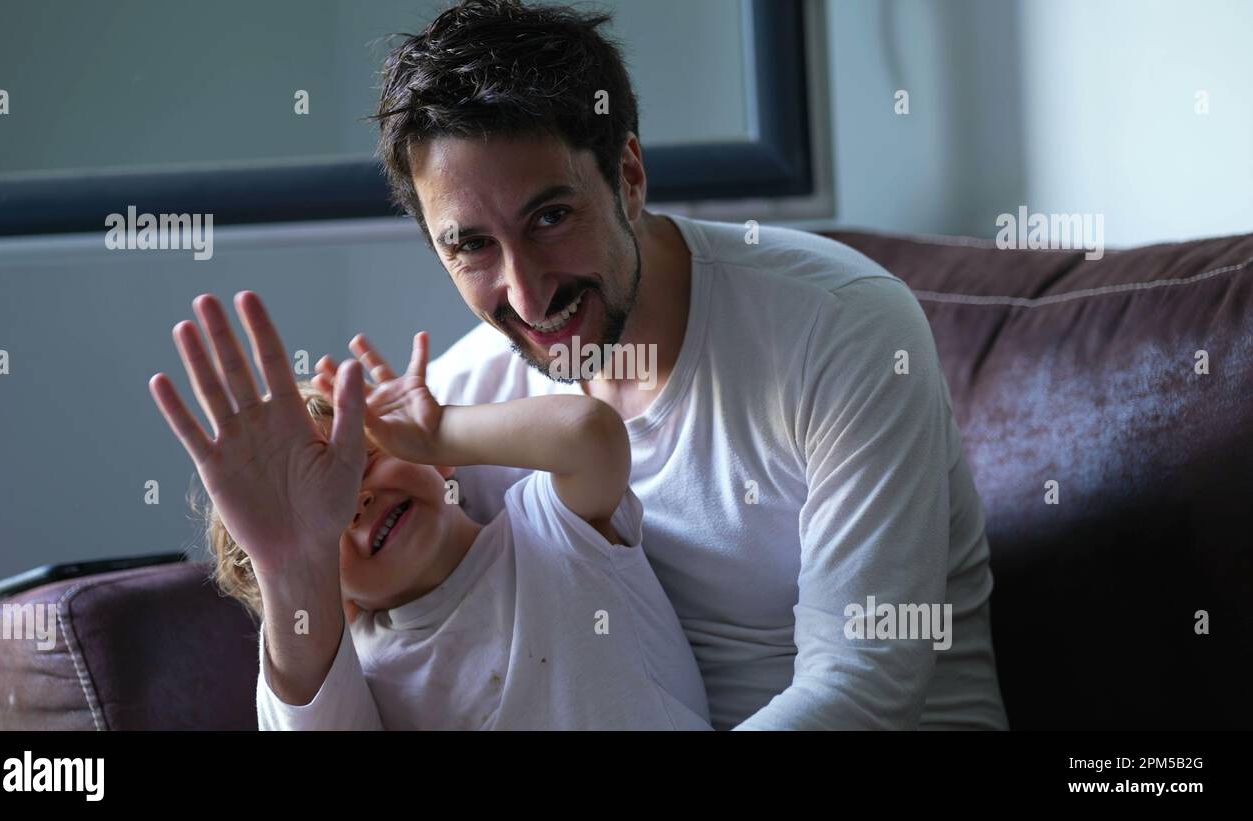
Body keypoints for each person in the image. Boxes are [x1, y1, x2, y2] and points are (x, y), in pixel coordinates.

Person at [365, 0, 1009, 729]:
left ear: (629, 176)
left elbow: (866, 680)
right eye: (472, 246)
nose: (528, 291)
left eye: (550, 217)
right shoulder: (463, 405)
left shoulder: (839, 326)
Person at [149, 292, 710, 730]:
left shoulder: (547, 531)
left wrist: (441, 431)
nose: (356, 503)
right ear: (336, 604)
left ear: (439, 466)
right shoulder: (362, 671)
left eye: (362, 465)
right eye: (329, 517)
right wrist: (294, 564)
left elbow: (590, 434)